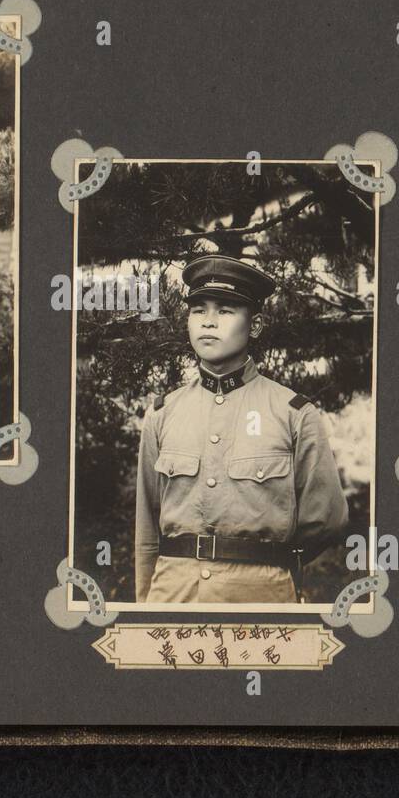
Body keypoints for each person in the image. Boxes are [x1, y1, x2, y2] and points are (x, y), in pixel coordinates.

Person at [133, 254, 349, 604]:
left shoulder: (293, 413)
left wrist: (269, 563)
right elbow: (146, 528)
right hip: (173, 596)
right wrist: (144, 608)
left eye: (226, 310)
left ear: (257, 325)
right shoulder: (163, 413)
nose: (209, 322)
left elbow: (327, 519)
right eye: (198, 309)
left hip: (260, 597)